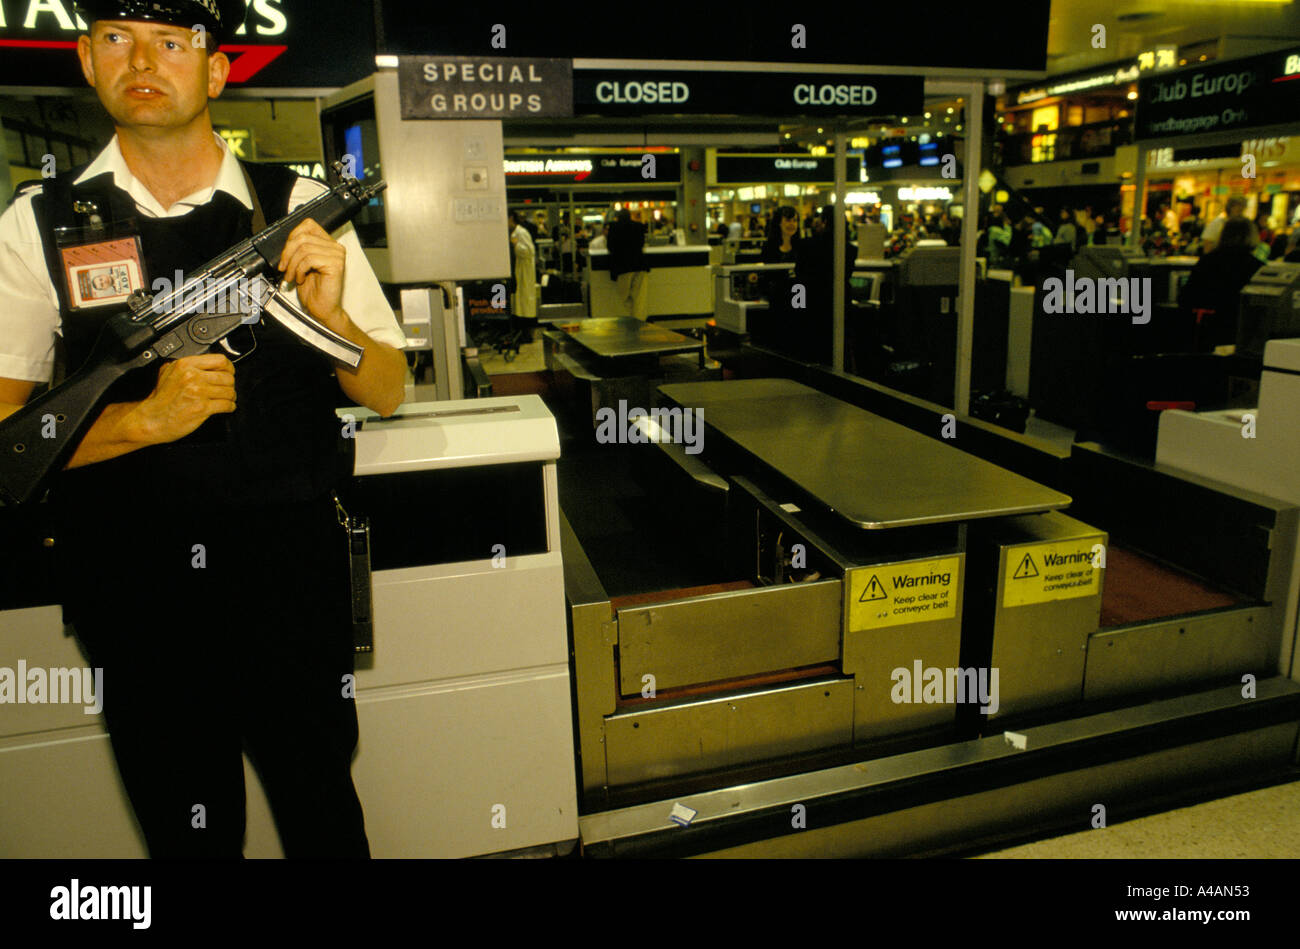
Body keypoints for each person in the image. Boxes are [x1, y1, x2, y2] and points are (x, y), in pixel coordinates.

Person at [0, 0, 408, 857]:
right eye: (117, 39)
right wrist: (142, 420)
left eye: (171, 43)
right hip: (135, 596)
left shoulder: (295, 206)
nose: (141, 59)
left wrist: (330, 319)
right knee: (188, 832)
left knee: (325, 816)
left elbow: (389, 389)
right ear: (86, 59)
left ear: (217, 69)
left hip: (292, 585)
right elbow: (7, 438)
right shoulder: (35, 225)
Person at [1179, 218, 1265, 348]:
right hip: (1239, 332)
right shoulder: (1256, 267)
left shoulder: (1207, 261)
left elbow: (1186, 297)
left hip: (1205, 329)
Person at [607, 208, 649, 320]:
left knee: (623, 297)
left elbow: (610, 246)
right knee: (639, 298)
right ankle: (639, 321)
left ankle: (629, 321)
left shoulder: (614, 227)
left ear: (618, 217)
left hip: (623, 266)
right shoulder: (639, 226)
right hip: (640, 265)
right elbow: (641, 243)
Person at [508, 210, 537, 318]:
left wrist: (516, 245)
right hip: (518, 271)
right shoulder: (514, 232)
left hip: (524, 270)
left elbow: (530, 252)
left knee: (525, 301)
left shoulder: (521, 233)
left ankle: (526, 323)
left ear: (511, 218)